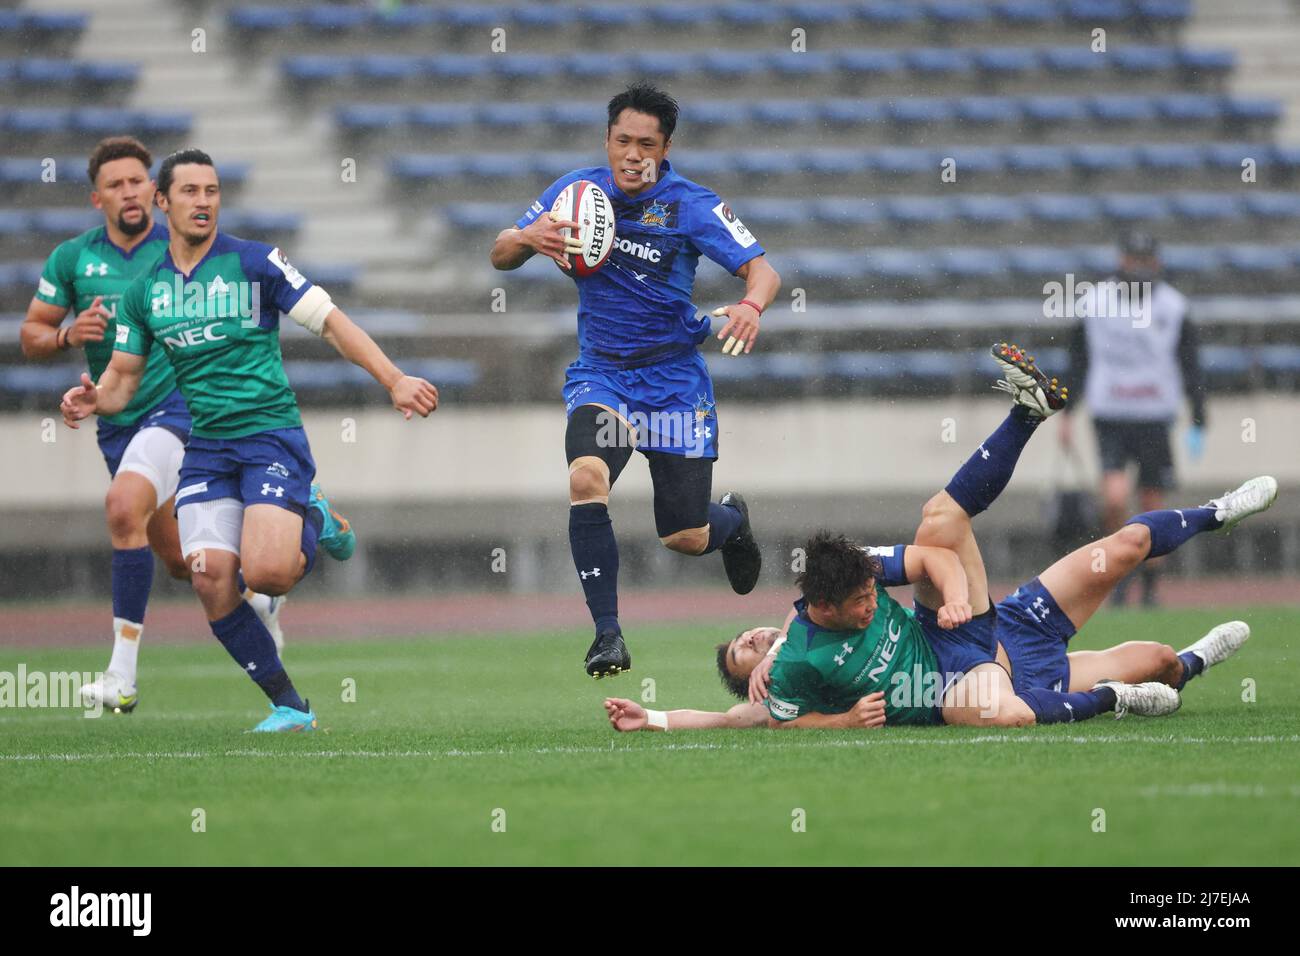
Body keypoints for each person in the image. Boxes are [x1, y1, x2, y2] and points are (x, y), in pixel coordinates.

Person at [603, 344, 1273, 731]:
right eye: (747, 663)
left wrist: (952, 597)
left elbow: (927, 556)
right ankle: (1150, 683)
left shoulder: (830, 586)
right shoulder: (799, 673)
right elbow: (734, 722)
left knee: (1087, 543)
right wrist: (656, 718)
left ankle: (1213, 507)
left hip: (977, 632)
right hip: (971, 672)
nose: (755, 649)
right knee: (1154, 660)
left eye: (749, 641)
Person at [60, 148, 439, 731]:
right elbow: (122, 379)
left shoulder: (257, 263)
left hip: (269, 437)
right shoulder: (148, 293)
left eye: (211, 191)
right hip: (207, 447)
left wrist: (394, 379)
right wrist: (95, 400)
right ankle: (290, 706)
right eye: (189, 192)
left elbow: (332, 322)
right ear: (163, 202)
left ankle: (316, 517)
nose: (203, 201)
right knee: (210, 577)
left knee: (266, 576)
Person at [490, 83, 781, 679]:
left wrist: (751, 306)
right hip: (602, 376)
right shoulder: (575, 194)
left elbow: (763, 271)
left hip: (674, 381)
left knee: (684, 535)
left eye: (646, 144)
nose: (632, 154)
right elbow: (499, 252)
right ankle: (607, 635)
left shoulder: (691, 205)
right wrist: (526, 239)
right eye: (622, 140)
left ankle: (732, 523)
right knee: (586, 476)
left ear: (665, 147)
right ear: (607, 140)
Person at [21, 136, 280, 714]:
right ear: (97, 199)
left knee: (119, 506)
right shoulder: (72, 260)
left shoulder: (181, 249)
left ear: (155, 193)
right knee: (180, 561)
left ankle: (121, 677)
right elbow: (31, 332)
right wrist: (66, 335)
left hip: (180, 409)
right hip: (118, 421)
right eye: (115, 184)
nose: (129, 192)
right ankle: (257, 596)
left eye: (137, 180)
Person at [1061, 230, 1207, 606]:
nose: (1139, 267)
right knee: (1114, 496)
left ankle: (1151, 587)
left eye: (1146, 260)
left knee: (1152, 500)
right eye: (1133, 259)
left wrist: (1198, 415)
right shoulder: (1095, 302)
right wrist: (1066, 413)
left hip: (1155, 415)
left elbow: (1190, 363)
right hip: (1110, 413)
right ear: (1121, 260)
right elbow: (1079, 361)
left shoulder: (1173, 307)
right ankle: (1119, 572)